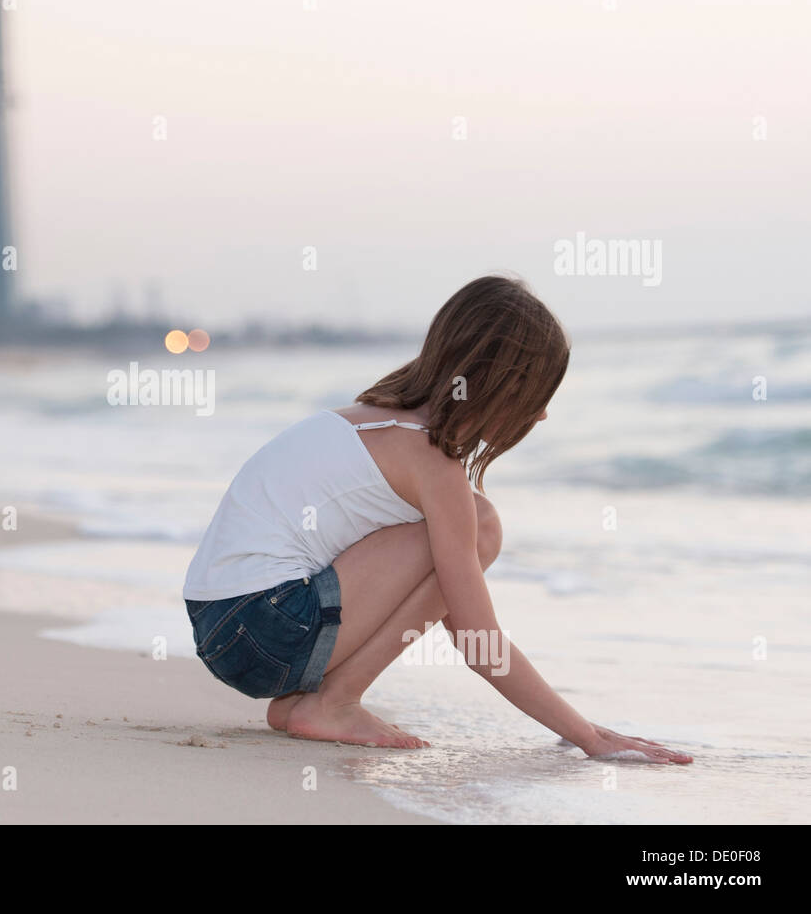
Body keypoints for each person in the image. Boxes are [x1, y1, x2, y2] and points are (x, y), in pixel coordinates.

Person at [182, 274, 692, 763]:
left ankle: (314, 701)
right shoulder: (429, 461)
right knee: (482, 524)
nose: (540, 417)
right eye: (539, 395)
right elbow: (478, 642)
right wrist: (588, 735)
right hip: (265, 626)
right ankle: (333, 703)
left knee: (471, 520)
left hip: (226, 628)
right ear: (503, 386)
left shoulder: (374, 417)